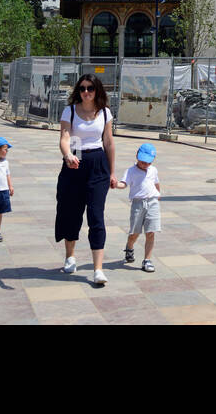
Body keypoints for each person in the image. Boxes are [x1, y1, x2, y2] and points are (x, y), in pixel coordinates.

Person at [55, 75, 118, 287]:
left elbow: (108, 142)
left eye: (90, 88)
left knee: (96, 215)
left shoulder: (105, 112)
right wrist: (67, 155)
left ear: (97, 90)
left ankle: (98, 269)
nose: (86, 92)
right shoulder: (70, 110)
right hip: (76, 160)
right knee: (71, 212)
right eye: (82, 88)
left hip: (98, 163)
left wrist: (112, 172)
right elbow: (65, 138)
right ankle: (70, 256)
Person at [114, 143, 161, 273]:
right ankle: (129, 246)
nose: (145, 164)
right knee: (135, 233)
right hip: (138, 203)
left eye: (148, 162)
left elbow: (156, 183)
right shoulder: (131, 171)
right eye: (142, 161)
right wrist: (115, 184)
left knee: (151, 232)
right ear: (137, 157)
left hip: (153, 203)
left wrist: (158, 194)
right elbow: (124, 184)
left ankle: (147, 260)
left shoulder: (154, 170)